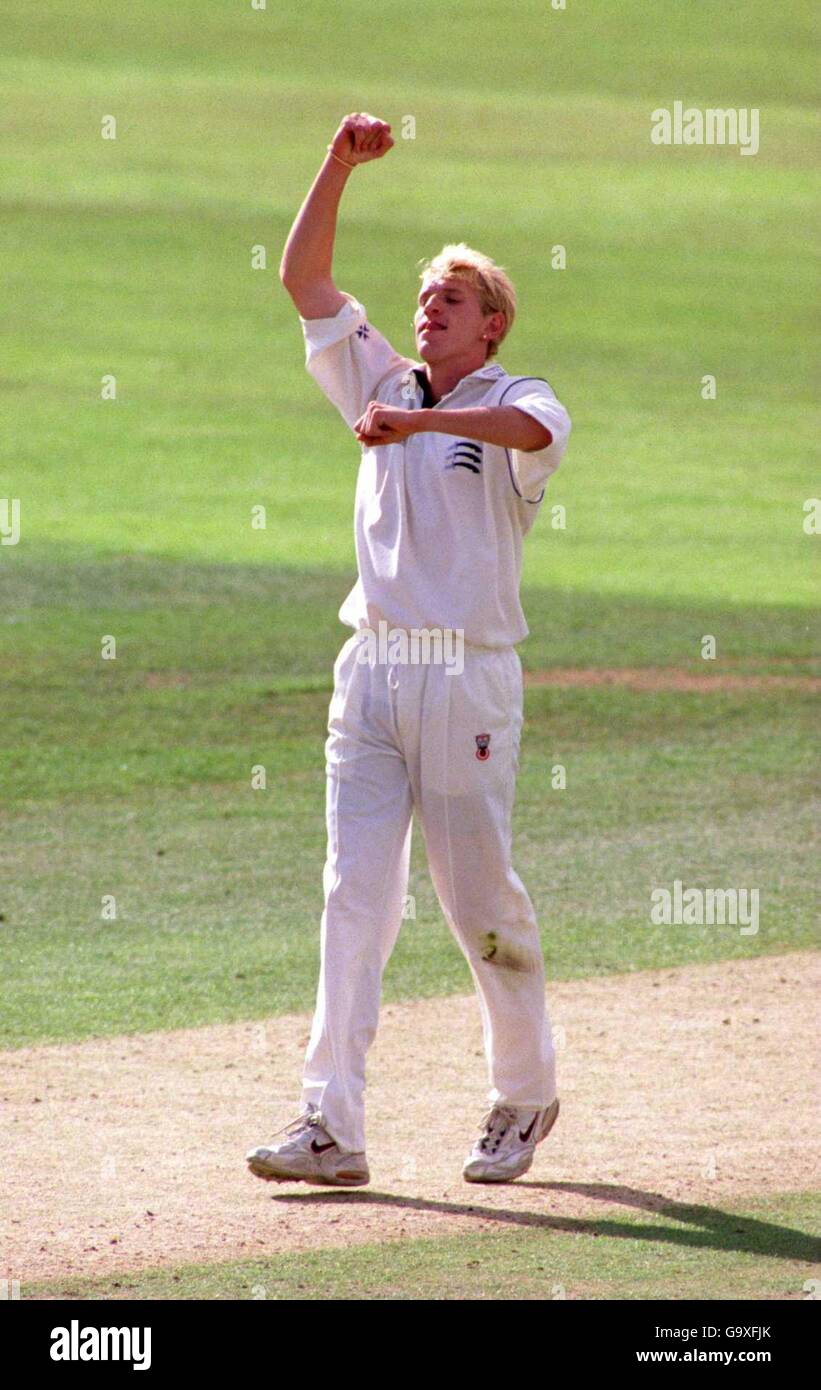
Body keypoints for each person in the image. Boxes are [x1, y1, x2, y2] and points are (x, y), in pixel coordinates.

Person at [246, 112, 571, 1187]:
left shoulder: (512, 401)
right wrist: (336, 163)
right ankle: (329, 1123)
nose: (430, 308)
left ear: (490, 329)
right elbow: (301, 280)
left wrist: (419, 428)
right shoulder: (377, 379)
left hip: (466, 674)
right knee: (353, 893)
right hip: (372, 667)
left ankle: (524, 1094)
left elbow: (533, 437)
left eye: (453, 300)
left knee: (477, 904)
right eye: (426, 296)